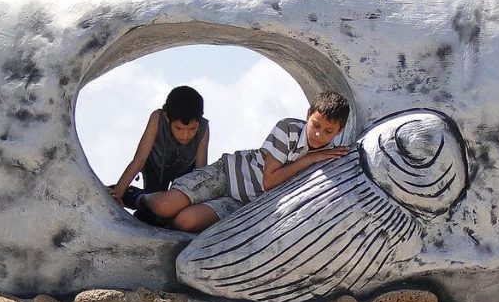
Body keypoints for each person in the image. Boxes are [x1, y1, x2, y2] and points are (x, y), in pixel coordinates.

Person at [135, 90, 352, 233]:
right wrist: (310, 159)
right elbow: (269, 181)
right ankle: (136, 197)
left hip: (244, 202)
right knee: (165, 206)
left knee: (184, 222)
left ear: (340, 130)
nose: (318, 135)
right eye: (315, 125)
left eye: (328, 131)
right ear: (308, 115)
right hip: (228, 174)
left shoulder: (330, 154)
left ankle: (155, 219)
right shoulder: (288, 129)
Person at [109, 85, 209, 222]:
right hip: (156, 166)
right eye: (179, 128)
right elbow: (139, 159)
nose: (185, 135)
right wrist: (118, 192)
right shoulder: (158, 118)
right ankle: (132, 195)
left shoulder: (204, 127)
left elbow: (200, 170)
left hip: (186, 170)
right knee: (150, 211)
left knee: (175, 209)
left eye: (192, 129)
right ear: (168, 118)